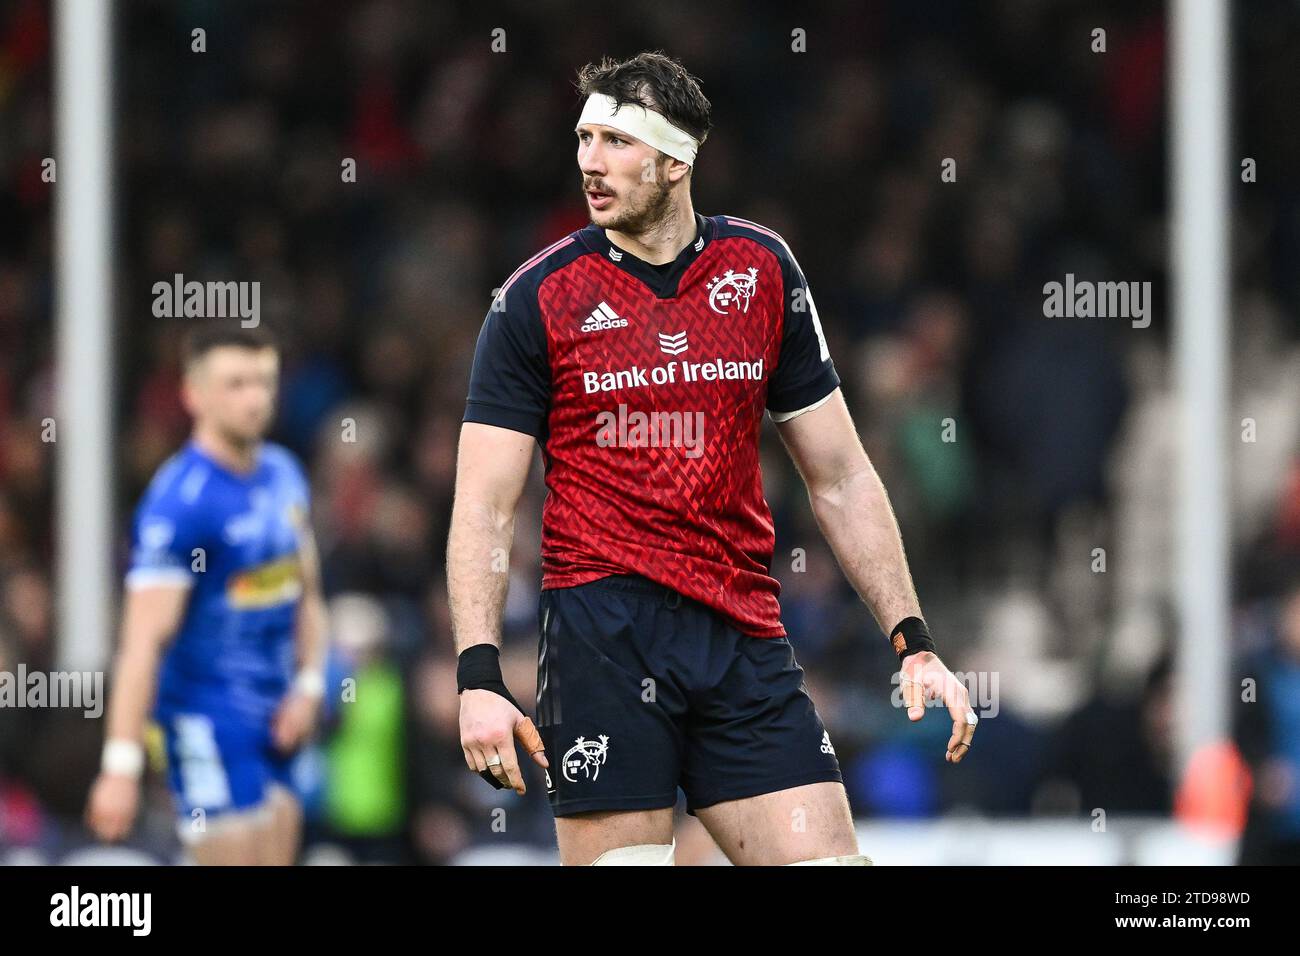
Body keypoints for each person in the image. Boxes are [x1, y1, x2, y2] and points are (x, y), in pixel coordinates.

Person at [447, 51, 976, 866]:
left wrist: (912, 638)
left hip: (741, 637)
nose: (590, 160)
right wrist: (479, 674)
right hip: (603, 638)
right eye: (584, 138)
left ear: (676, 161)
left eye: (617, 141)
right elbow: (484, 505)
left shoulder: (761, 273)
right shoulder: (536, 299)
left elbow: (839, 476)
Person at [86, 324, 328, 864]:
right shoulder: (179, 502)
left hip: (277, 712)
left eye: (265, 381)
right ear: (193, 395)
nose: (256, 397)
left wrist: (309, 687)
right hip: (205, 718)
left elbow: (308, 594)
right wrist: (121, 766)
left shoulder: (285, 475)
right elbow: (141, 643)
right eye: (236, 383)